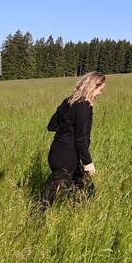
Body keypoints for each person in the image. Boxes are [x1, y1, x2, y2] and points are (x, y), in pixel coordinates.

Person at [42, 71, 106, 206]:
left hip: (56, 152)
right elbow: (80, 140)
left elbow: (51, 126)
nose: (100, 93)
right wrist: (88, 162)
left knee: (86, 188)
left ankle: (80, 212)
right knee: (48, 199)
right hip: (67, 157)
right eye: (100, 89)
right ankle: (35, 221)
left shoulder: (68, 101)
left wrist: (66, 127)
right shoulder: (84, 107)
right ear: (92, 87)